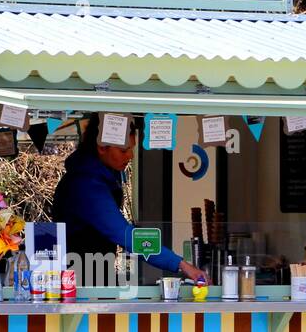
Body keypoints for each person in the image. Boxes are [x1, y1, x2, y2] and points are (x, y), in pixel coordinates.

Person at [51, 114, 207, 286]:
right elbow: (125, 235)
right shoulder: (86, 185)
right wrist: (181, 264)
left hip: (90, 276)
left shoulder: (98, 178)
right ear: (102, 147)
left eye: (131, 148)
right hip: (80, 283)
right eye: (124, 150)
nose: (131, 156)